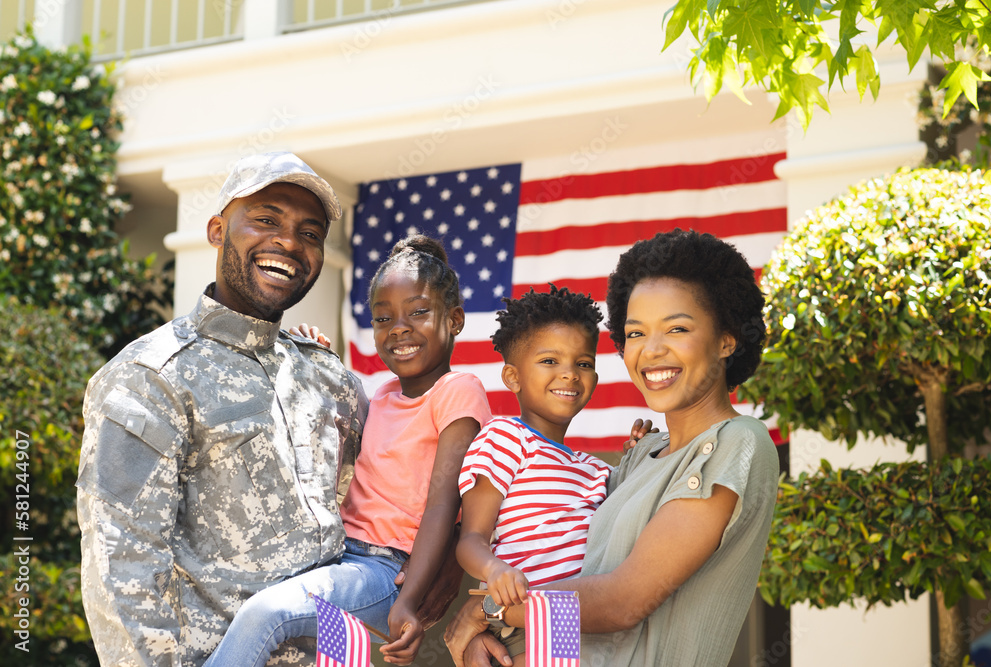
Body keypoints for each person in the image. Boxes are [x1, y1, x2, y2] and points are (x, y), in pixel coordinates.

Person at [77, 152, 444, 667]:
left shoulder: (329, 377)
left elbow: (405, 482)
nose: (289, 243)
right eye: (267, 220)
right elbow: (122, 562)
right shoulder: (151, 376)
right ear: (217, 230)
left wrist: (449, 573)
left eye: (310, 233)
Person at [445, 229, 781, 667]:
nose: (652, 351)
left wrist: (490, 611)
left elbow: (622, 602)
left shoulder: (737, 442)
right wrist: (487, 634)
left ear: (726, 339)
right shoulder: (640, 456)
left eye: (677, 328)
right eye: (636, 333)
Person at [202, 234, 492, 666]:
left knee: (268, 614)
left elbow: (442, 504)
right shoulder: (385, 394)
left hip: (388, 573)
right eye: (382, 318)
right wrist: (317, 356)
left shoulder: (457, 391)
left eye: (418, 312)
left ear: (454, 319)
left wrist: (408, 602)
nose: (399, 328)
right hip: (338, 555)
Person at [456, 285, 616, 666]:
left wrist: (638, 450)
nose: (570, 375)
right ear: (513, 377)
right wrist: (495, 569)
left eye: (584, 363)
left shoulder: (596, 469)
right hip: (521, 628)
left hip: (580, 629)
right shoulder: (505, 438)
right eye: (549, 361)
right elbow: (471, 539)